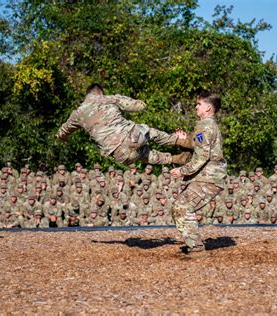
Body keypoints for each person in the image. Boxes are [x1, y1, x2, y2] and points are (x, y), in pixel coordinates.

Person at [56, 83, 192, 165]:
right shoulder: (108, 99)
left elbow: (63, 131)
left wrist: (62, 138)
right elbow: (140, 106)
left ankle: (177, 159)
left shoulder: (77, 114)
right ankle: (182, 141)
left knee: (144, 154)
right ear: (100, 92)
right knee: (149, 132)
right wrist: (131, 101)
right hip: (131, 138)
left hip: (120, 156)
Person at [170, 92, 227, 254]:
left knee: (182, 207)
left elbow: (202, 156)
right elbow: (198, 145)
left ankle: (196, 249)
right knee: (179, 207)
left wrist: (182, 171)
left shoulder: (205, 126)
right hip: (206, 178)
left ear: (208, 108)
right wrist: (183, 139)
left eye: (199, 104)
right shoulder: (206, 126)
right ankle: (194, 245)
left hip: (208, 178)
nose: (196, 107)